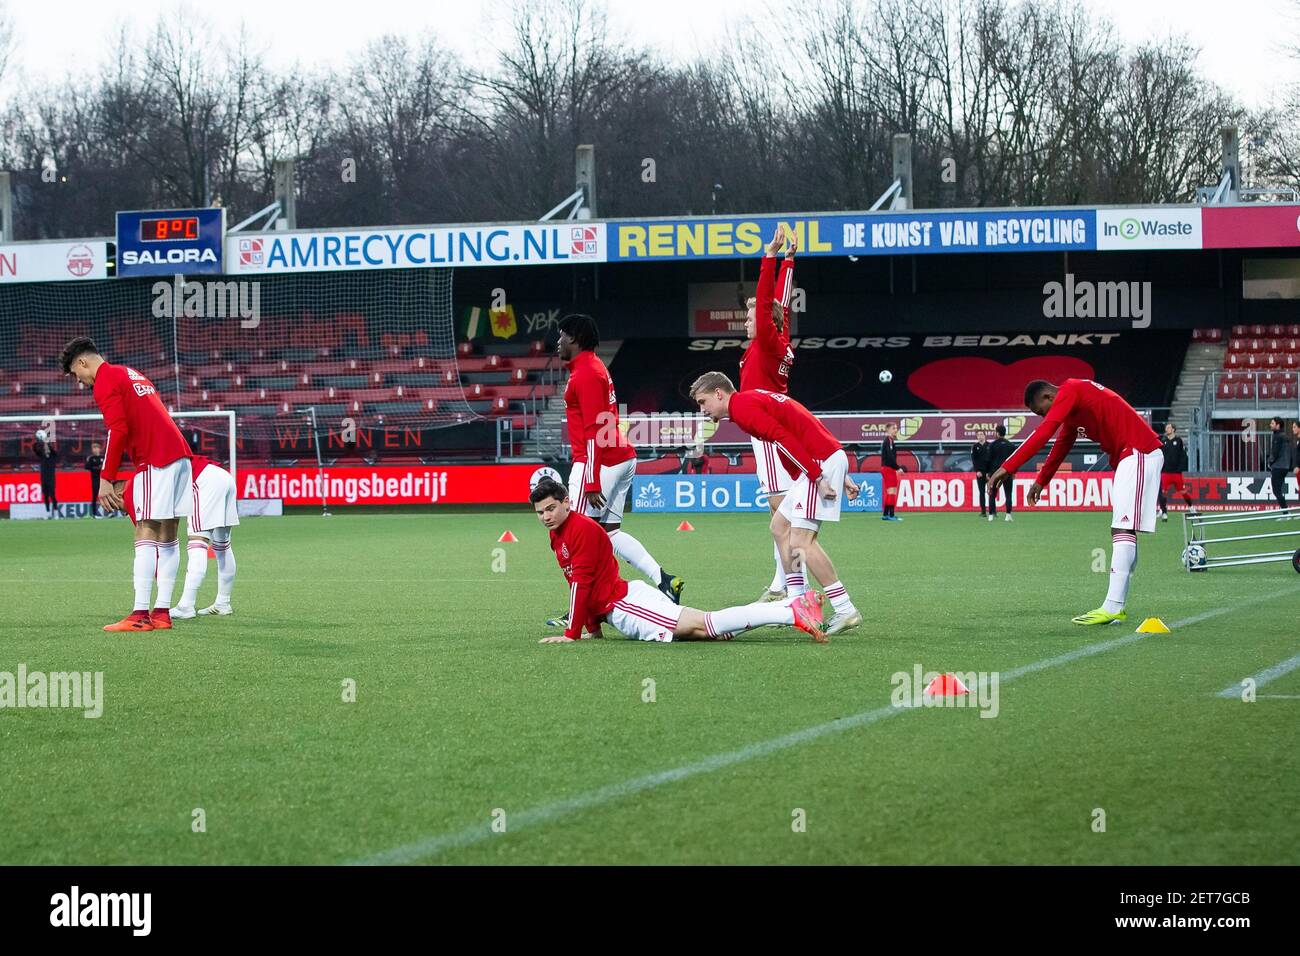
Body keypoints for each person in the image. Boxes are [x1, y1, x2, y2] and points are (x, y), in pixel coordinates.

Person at [532, 478, 827, 643]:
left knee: (705, 625)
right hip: (625, 599)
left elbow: (581, 584)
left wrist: (572, 634)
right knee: (711, 633)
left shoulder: (580, 529)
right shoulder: (558, 534)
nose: (545, 516)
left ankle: (792, 610)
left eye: (551, 508)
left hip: (626, 606)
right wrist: (592, 629)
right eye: (540, 512)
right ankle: (785, 608)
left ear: (567, 502)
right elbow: (579, 581)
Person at [690, 371, 862, 635]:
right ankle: (797, 600)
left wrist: (819, 476)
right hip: (823, 459)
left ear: (718, 394)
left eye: (703, 402)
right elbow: (801, 424)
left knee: (803, 541)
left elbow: (785, 439)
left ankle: (844, 607)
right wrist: (841, 472)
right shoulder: (751, 401)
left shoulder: (745, 409)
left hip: (819, 465)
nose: (702, 410)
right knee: (779, 527)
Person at [987, 378, 1162, 626]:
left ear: (1048, 396)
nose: (1043, 416)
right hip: (1133, 455)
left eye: (1040, 411)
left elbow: (1044, 432)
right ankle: (1116, 605)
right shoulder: (1073, 408)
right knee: (1123, 529)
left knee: (1122, 528)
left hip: (1137, 451)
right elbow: (1061, 446)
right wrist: (1041, 481)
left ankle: (1113, 606)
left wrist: (1008, 466)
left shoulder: (1071, 389)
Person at [550, 313, 684, 629]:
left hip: (599, 463)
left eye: (561, 335)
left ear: (575, 338)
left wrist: (592, 479)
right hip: (619, 456)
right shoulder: (594, 369)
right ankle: (663, 579)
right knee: (609, 534)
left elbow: (596, 428)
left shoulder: (585, 373)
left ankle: (580, 612)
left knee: (575, 536)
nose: (557, 341)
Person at [60, 336, 193, 632]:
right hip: (180, 455)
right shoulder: (131, 373)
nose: (79, 381)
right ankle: (161, 613)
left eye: (75, 374)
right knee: (168, 534)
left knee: (145, 530)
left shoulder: (106, 379)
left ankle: (138, 615)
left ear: (82, 362)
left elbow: (117, 429)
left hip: (155, 458)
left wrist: (106, 478)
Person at [742, 225, 798, 601]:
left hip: (766, 432)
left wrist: (770, 254)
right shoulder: (782, 337)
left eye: (749, 318)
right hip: (773, 424)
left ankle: (794, 586)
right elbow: (782, 302)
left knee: (782, 514)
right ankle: (782, 582)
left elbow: (768, 301)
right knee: (780, 514)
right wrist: (790, 261)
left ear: (764, 323)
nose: (745, 322)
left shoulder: (765, 342)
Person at [174, 456, 240, 618]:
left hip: (203, 479)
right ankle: (223, 603)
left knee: (197, 541)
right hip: (224, 477)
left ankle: (186, 606)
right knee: (223, 545)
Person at [1157, 423, 1193, 521]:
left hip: (1176, 473)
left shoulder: (1178, 441)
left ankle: (1191, 507)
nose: (1166, 429)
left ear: (1173, 430)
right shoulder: (1163, 440)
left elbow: (1183, 456)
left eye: (1168, 428)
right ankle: (1164, 512)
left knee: (1183, 492)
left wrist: (1180, 468)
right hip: (1165, 472)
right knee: (1162, 492)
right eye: (1166, 427)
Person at [986, 424, 1015, 522]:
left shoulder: (992, 445)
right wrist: (1013, 472)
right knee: (1008, 494)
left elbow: (988, 460)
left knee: (992, 494)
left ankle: (990, 515)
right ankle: (1008, 515)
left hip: (995, 473)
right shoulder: (1011, 445)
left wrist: (988, 473)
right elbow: (1014, 460)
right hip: (1007, 473)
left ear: (997, 433)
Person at [1267, 417, 1293, 516]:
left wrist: (1270, 462)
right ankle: (1285, 511)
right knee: (1278, 490)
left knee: (1276, 490)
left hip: (1278, 467)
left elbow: (1275, 452)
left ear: (1278, 425)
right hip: (1285, 467)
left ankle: (1286, 512)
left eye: (1272, 423)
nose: (1270, 425)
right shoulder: (1285, 436)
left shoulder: (1277, 437)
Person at [879, 422, 904, 521]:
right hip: (888, 468)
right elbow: (890, 456)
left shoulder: (889, 440)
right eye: (894, 428)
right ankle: (891, 515)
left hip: (887, 468)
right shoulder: (888, 440)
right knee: (892, 491)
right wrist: (897, 468)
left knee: (891, 491)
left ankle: (886, 514)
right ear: (888, 430)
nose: (895, 430)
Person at [35, 431, 58, 518]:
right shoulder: (42, 456)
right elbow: (36, 450)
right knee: (45, 495)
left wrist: (48, 444)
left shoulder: (53, 457)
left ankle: (55, 512)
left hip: (51, 478)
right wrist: (40, 441)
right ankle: (47, 512)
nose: (46, 449)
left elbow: (54, 452)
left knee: (52, 494)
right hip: (44, 477)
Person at [971, 431, 992, 517]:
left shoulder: (990, 445)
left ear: (985, 436)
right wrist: (977, 471)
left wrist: (990, 472)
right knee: (982, 492)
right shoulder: (975, 447)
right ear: (976, 437)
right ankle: (983, 511)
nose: (980, 436)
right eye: (978, 435)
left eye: (981, 435)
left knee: (992, 491)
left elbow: (992, 459)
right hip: (980, 472)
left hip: (989, 472)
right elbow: (974, 460)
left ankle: (993, 511)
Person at [85, 441, 104, 518]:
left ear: (99, 449)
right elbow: (87, 467)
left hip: (103, 480)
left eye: (97, 448)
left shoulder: (103, 457)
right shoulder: (91, 458)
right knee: (95, 496)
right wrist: (96, 468)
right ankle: (94, 513)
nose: (95, 449)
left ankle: (109, 513)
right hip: (95, 480)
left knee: (106, 496)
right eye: (94, 448)